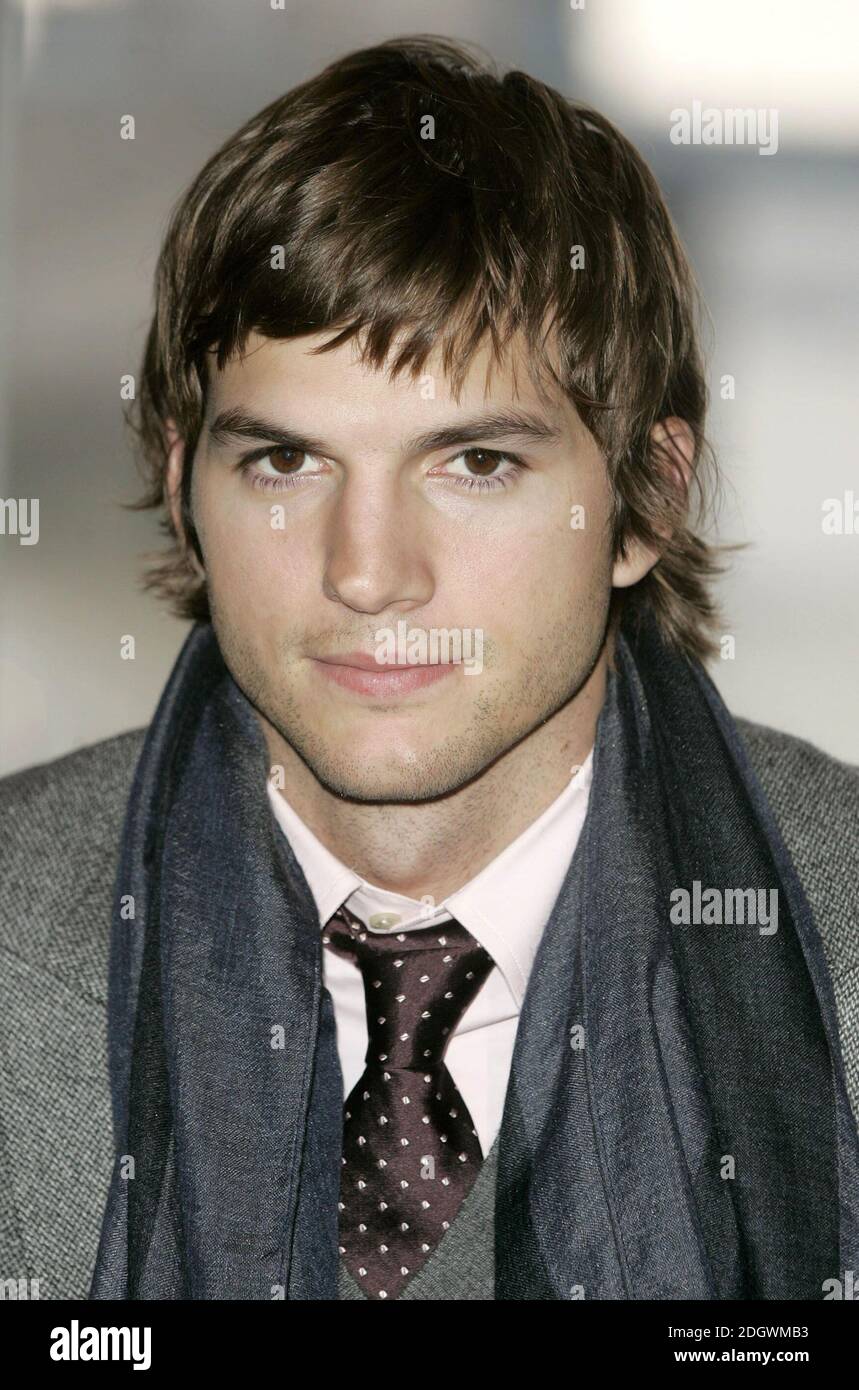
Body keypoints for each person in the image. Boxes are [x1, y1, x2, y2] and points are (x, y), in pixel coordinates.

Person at [1, 35, 857, 1303]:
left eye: (475, 464)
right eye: (285, 463)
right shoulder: (22, 948)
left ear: (643, 504)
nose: (369, 572)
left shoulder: (834, 954)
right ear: (184, 494)